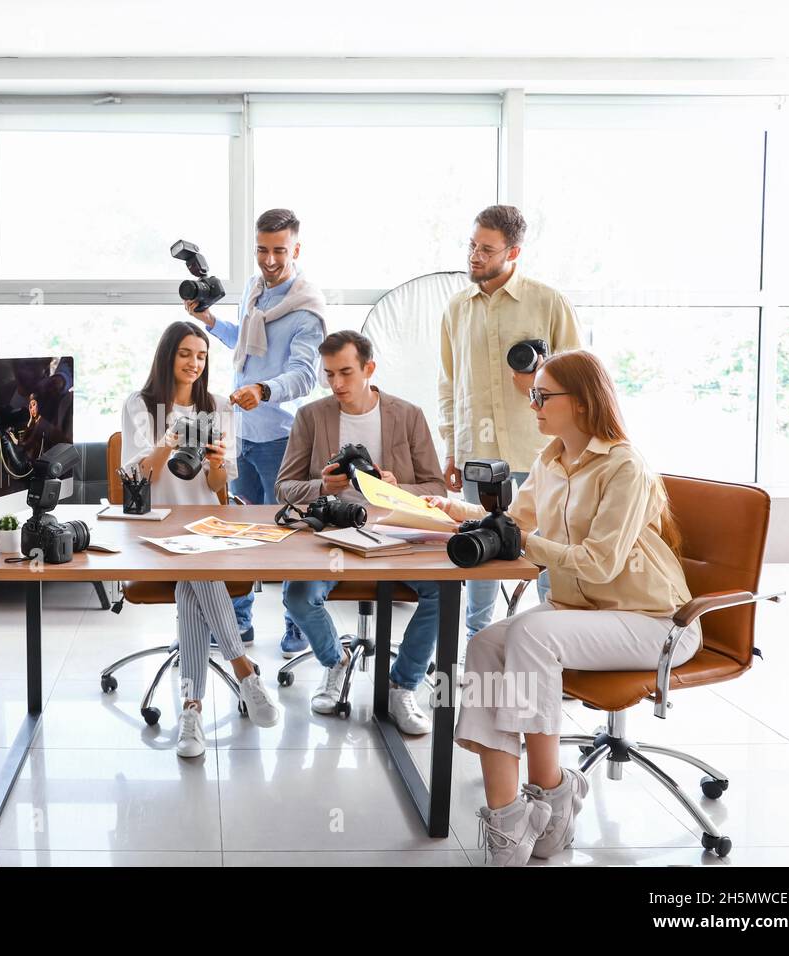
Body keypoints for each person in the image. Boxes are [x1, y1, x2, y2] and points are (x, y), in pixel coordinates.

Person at [424, 350, 699, 866]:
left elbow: (599, 563)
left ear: (582, 401)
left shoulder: (624, 466)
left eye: (542, 395)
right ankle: (508, 823)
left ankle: (551, 793)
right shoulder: (552, 460)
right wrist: (446, 510)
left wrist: (527, 540)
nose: (533, 405)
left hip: (656, 623)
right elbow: (515, 518)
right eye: (533, 394)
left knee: (532, 635)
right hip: (585, 617)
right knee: (485, 644)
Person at [122, 320, 281, 758]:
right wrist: (168, 441)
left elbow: (221, 490)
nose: (194, 363)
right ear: (168, 356)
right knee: (198, 574)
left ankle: (191, 711)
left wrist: (214, 463)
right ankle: (243, 669)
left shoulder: (216, 407)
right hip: (154, 527)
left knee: (195, 580)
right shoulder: (140, 405)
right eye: (185, 354)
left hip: (206, 528)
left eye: (202, 355)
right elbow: (134, 476)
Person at [276, 331, 447, 732]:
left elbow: (437, 488)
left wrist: (395, 489)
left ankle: (402, 684)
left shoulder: (408, 415)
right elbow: (284, 487)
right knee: (297, 595)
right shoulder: (311, 416)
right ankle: (336, 661)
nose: (337, 384)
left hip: (393, 533)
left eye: (346, 373)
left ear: (369, 369)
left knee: (442, 592)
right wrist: (322, 486)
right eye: (329, 374)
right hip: (332, 532)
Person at [438, 204, 582, 638]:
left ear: (513, 252)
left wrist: (536, 381)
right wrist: (451, 447)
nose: (474, 257)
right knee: (477, 550)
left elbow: (582, 380)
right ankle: (475, 650)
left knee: (547, 555)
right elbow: (449, 383)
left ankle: (556, 646)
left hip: (540, 451)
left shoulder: (548, 302)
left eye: (487, 249)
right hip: (476, 453)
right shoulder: (457, 308)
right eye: (471, 246)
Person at [187, 208, 326, 657]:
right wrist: (211, 322)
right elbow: (245, 342)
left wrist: (264, 390)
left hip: (282, 436)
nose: (269, 260)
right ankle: (238, 622)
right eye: (262, 250)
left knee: (289, 533)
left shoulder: (307, 310)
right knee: (238, 531)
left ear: (297, 250)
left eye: (279, 251)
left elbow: (305, 376)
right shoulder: (255, 289)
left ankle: (296, 626)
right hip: (241, 432)